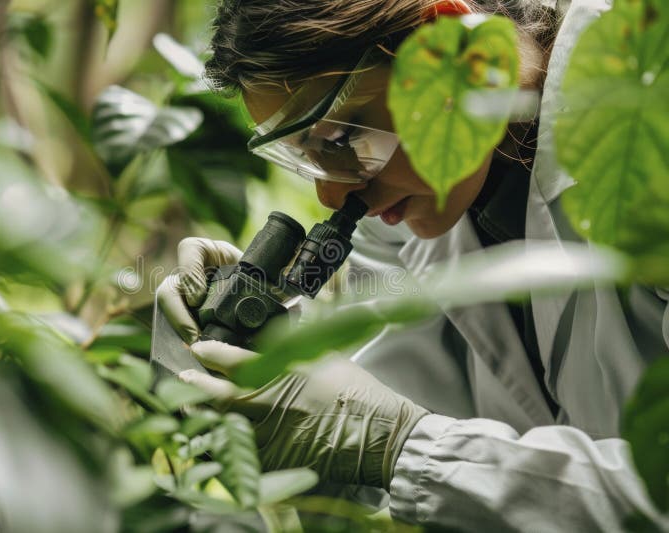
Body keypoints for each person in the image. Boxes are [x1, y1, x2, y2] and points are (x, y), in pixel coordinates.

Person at [156, 0, 669, 530]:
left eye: (342, 137)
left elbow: (416, 448)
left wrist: (406, 447)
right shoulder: (403, 216)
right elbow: (383, 457)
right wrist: (261, 366)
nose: (333, 194)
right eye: (306, 156)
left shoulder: (651, 103)